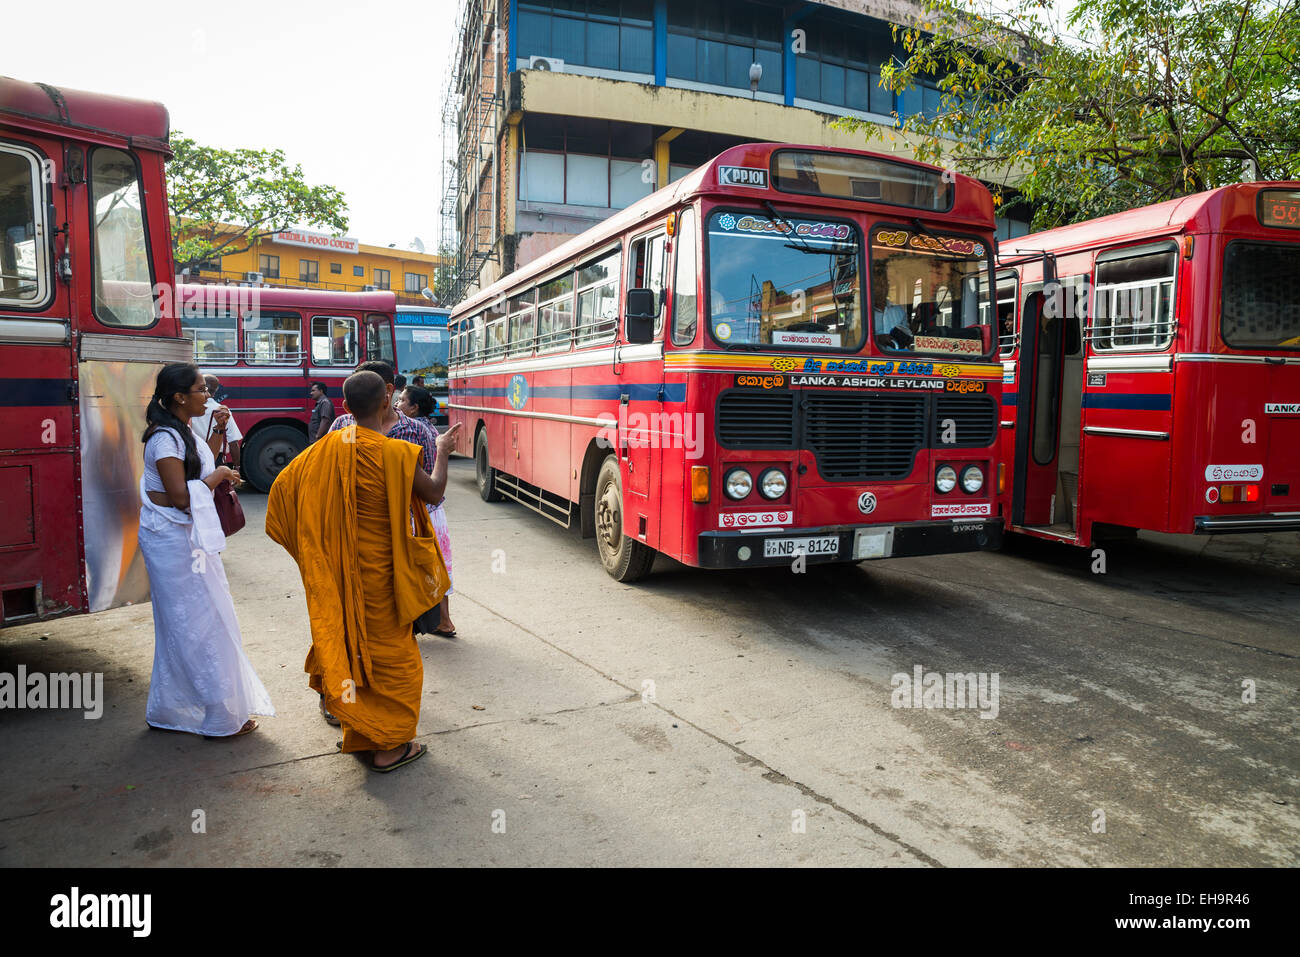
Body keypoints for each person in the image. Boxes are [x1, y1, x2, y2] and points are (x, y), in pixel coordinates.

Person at [265, 371, 460, 772]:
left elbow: (282, 491)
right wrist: (442, 449)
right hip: (383, 577)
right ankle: (388, 747)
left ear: (345, 407)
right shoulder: (394, 453)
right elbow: (435, 493)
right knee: (396, 662)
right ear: (387, 402)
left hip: (338, 570)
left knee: (345, 637)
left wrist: (313, 548)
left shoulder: (328, 446)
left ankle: (352, 715)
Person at [139, 363, 274, 738]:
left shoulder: (182, 431)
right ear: (179, 397)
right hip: (172, 543)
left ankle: (170, 708)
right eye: (202, 390)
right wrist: (218, 478)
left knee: (200, 620)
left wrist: (217, 432)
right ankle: (217, 715)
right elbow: (182, 496)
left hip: (185, 541)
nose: (208, 396)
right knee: (196, 624)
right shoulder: (163, 438)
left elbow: (200, 463)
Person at [397, 385, 456, 637]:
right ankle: (444, 620)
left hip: (420, 511)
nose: (397, 405)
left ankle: (425, 621)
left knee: (418, 567)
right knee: (438, 566)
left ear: (414, 407)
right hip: (435, 510)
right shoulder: (431, 428)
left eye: (401, 401)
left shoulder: (410, 431)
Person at [190, 374, 242, 471]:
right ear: (216, 390)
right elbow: (233, 442)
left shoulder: (191, 410)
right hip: (216, 460)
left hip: (194, 458)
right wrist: (236, 467)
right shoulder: (222, 411)